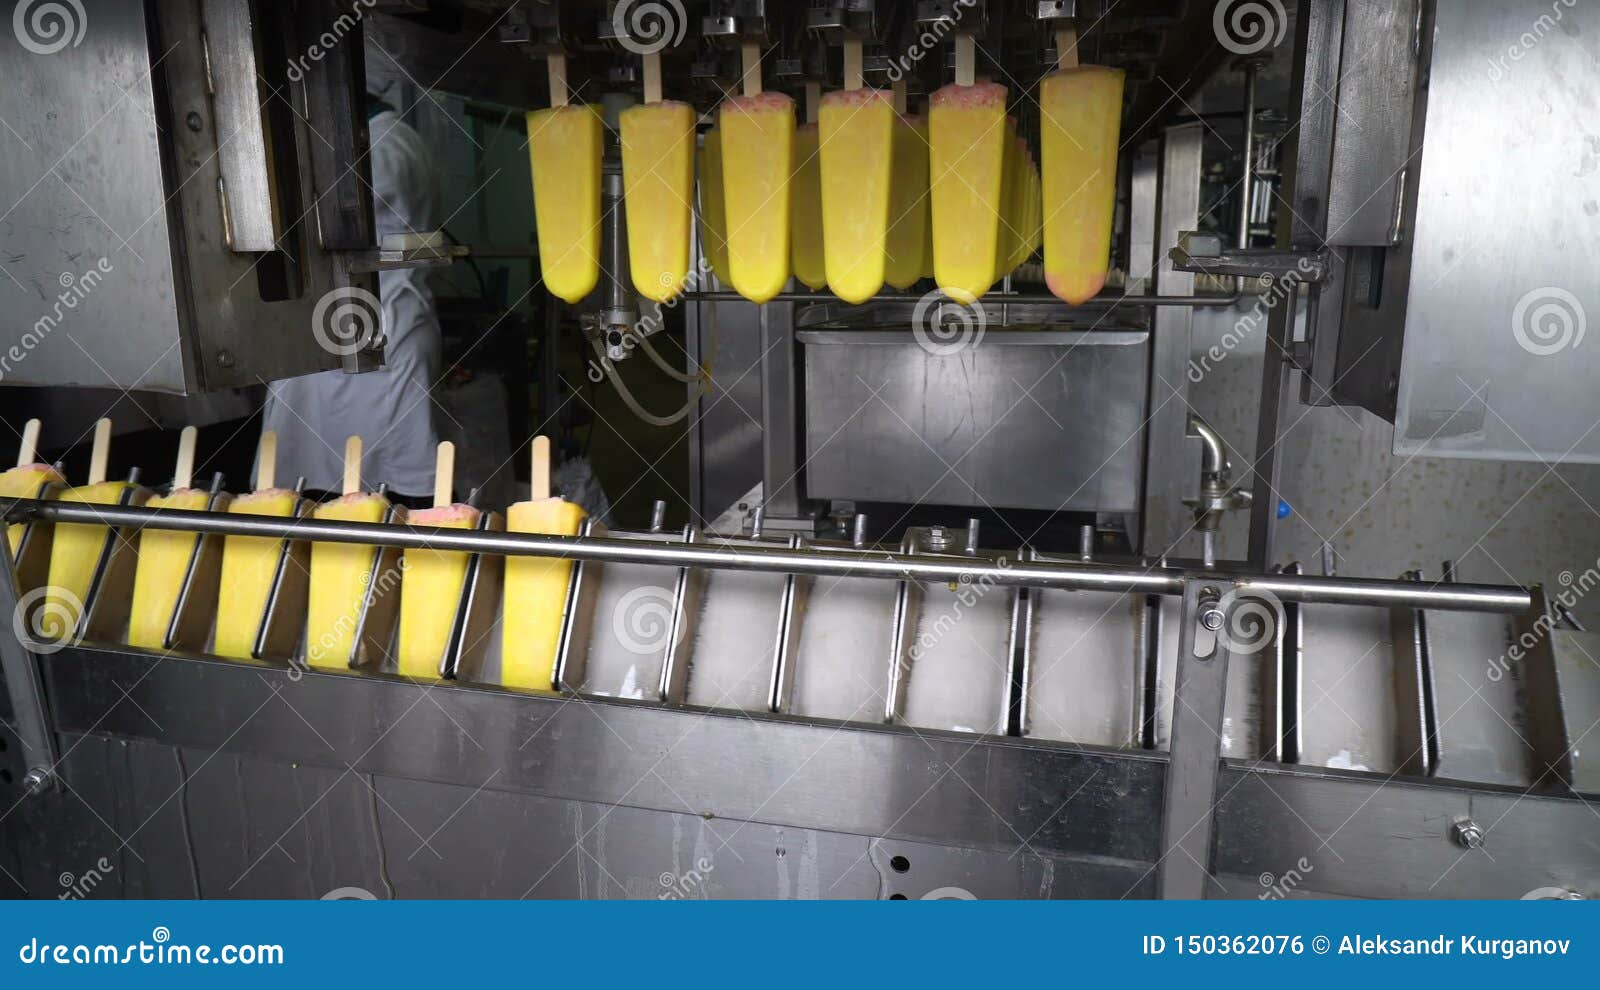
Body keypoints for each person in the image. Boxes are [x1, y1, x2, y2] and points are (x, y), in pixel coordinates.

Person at [261, 94, 442, 507]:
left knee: (354, 493)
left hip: (370, 328)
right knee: (371, 478)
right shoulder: (401, 139)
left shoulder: (381, 148)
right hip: (379, 326)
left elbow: (325, 219)